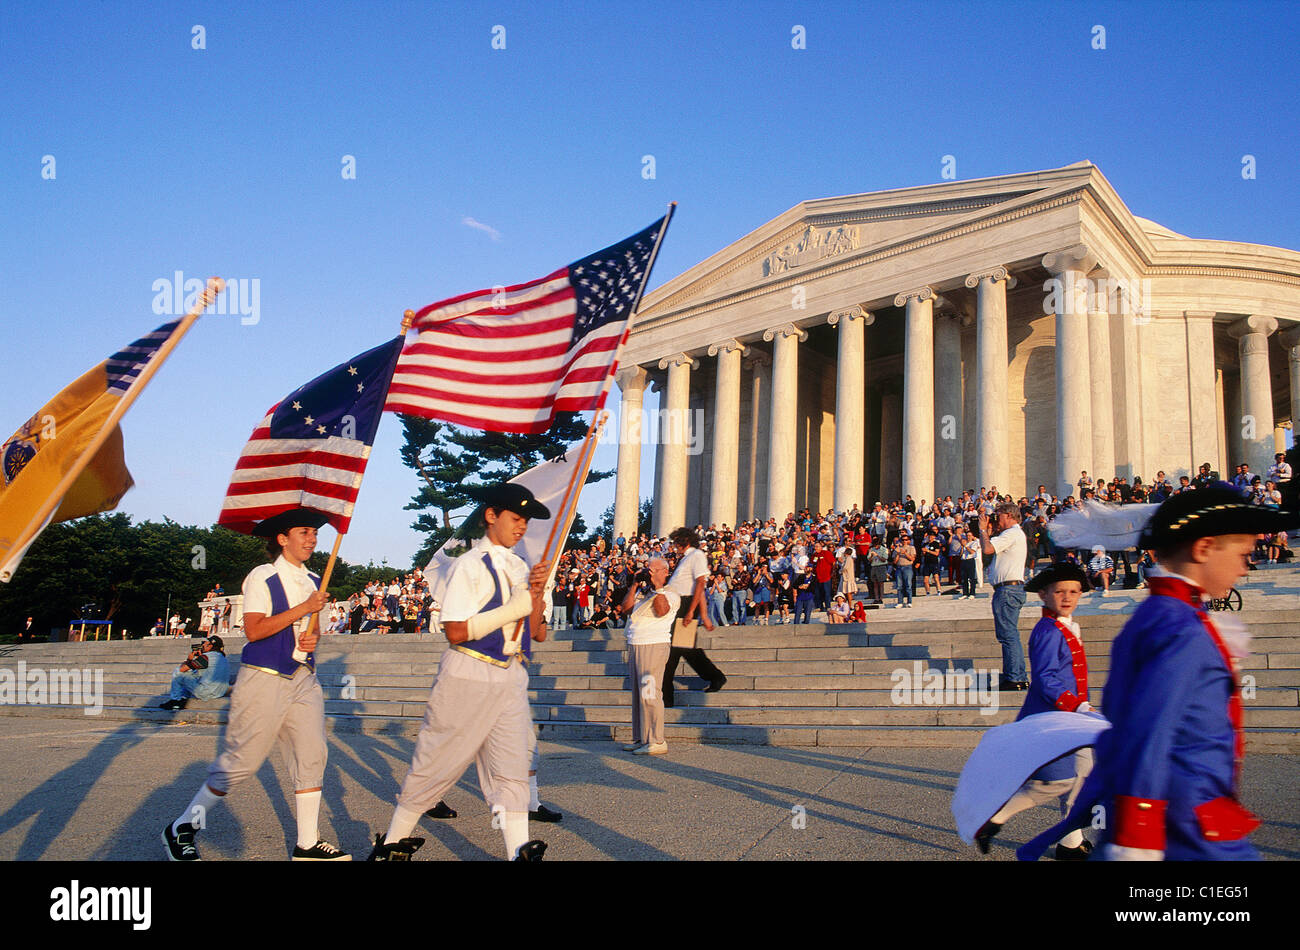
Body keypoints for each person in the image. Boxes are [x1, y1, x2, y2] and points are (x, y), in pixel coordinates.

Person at [1019, 482, 1297, 861]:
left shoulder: (1168, 617)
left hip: (1193, 819)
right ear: (1203, 549)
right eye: (1243, 553)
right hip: (1187, 826)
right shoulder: (1177, 627)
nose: (1246, 568)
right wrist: (1137, 836)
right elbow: (1149, 734)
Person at [368, 482, 552, 862]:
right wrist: (514, 607)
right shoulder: (470, 565)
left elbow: (537, 632)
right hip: (470, 671)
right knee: (437, 761)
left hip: (511, 673)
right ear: (491, 516)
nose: (522, 527)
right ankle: (390, 845)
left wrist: (534, 597)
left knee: (513, 765)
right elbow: (454, 631)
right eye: (516, 518)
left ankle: (518, 850)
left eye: (526, 522)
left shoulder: (521, 567)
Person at [162, 509, 348, 862]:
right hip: (264, 677)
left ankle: (307, 844)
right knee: (241, 762)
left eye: (315, 533)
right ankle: (183, 826)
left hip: (303, 679)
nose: (312, 538)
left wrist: (313, 638)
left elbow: (313, 629)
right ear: (282, 538)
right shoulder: (263, 576)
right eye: (305, 532)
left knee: (312, 756)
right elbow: (255, 630)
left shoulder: (312, 580)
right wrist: (306, 608)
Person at [974, 563, 1095, 860]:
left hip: (1069, 718)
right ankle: (996, 818)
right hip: (1051, 719)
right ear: (1043, 594)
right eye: (1059, 591)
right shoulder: (1047, 630)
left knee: (1079, 775)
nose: (1067, 597)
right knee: (1059, 782)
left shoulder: (1064, 626)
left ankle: (1070, 842)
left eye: (1074, 592)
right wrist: (1077, 705)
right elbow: (1046, 678)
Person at [662, 528, 726, 708]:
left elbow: (700, 584)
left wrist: (693, 611)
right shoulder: (686, 558)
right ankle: (715, 677)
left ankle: (666, 696)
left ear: (685, 541)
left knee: (675, 652)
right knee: (682, 650)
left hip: (686, 605)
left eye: (676, 542)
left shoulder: (696, 555)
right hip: (679, 605)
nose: (674, 546)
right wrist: (703, 615)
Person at [620, 556, 678, 755]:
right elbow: (625, 609)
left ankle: (657, 740)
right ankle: (642, 738)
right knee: (639, 695)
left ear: (665, 572)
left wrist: (658, 587)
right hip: (635, 644)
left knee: (650, 693)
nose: (649, 573)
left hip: (654, 645)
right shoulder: (642, 593)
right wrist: (635, 585)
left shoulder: (670, 594)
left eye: (653, 570)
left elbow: (662, 611)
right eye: (648, 570)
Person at [979, 501, 1029, 690]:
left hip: (1008, 590)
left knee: (1008, 635)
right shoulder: (1013, 534)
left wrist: (983, 531)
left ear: (1009, 515)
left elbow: (987, 549)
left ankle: (1015, 677)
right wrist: (988, 535)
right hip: (1010, 589)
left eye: (998, 515)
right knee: (1009, 634)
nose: (996, 519)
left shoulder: (1012, 533)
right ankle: (1017, 675)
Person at [159, 635, 231, 710]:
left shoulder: (206, 657)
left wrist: (189, 659)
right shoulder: (222, 658)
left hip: (207, 692)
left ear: (210, 646)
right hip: (220, 692)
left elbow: (182, 670)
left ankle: (175, 701)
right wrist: (198, 658)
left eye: (204, 643)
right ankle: (183, 699)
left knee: (178, 672)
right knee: (190, 674)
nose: (202, 645)